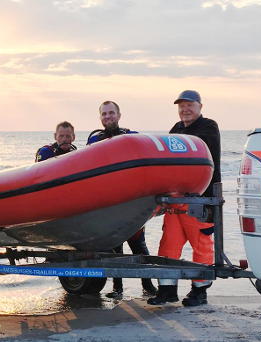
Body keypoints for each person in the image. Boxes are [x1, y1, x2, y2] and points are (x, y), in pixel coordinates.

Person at [147, 90, 221, 307]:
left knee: (201, 246)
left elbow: (194, 147)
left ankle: (199, 291)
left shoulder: (209, 126)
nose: (185, 109)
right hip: (176, 199)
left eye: (190, 105)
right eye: (181, 106)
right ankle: (167, 290)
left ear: (200, 106)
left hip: (200, 200)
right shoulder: (177, 128)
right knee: (168, 245)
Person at [86, 100, 157, 299]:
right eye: (104, 114)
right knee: (115, 250)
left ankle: (148, 286)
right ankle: (117, 288)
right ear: (100, 118)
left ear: (119, 115)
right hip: (109, 205)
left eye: (111, 113)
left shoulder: (131, 136)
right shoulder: (94, 140)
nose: (108, 117)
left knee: (139, 247)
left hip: (132, 204)